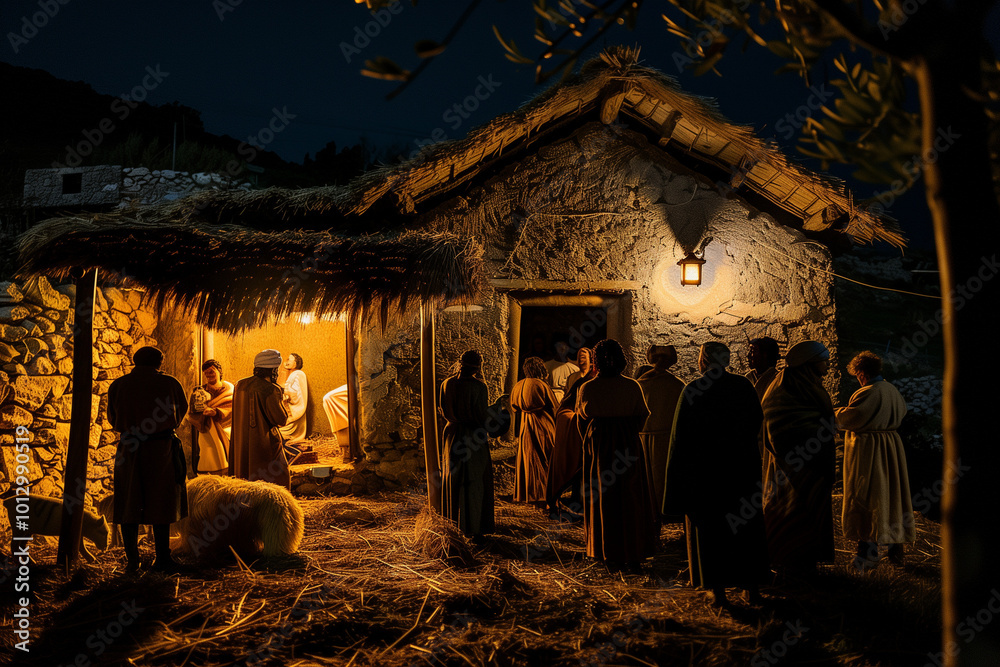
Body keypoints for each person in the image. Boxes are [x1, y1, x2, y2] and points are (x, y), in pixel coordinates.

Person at [663, 342, 768, 605]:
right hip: (740, 471)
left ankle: (718, 592)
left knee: (711, 531)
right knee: (745, 527)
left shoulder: (693, 389)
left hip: (706, 474)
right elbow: (756, 422)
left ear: (703, 360)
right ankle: (751, 587)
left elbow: (680, 438)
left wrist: (679, 481)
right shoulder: (743, 386)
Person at [577, 339, 657, 569]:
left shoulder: (588, 387)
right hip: (627, 446)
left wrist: (592, 441)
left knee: (604, 498)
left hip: (601, 448)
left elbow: (582, 421)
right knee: (630, 497)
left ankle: (607, 551)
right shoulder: (632, 386)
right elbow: (641, 416)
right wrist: (626, 430)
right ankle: (632, 552)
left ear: (596, 361)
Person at [108, 346, 188, 572]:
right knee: (162, 500)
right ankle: (162, 558)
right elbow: (180, 411)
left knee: (128, 502)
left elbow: (113, 418)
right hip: (160, 449)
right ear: (159, 362)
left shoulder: (119, 385)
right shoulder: (170, 383)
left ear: (135, 361)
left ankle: (133, 561)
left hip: (129, 449)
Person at [761, 340, 836, 576]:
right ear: (810, 363)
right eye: (824, 361)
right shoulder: (785, 387)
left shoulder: (807, 383)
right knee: (792, 509)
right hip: (793, 465)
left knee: (812, 509)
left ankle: (808, 561)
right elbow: (778, 424)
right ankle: (790, 560)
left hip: (812, 463)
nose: (827, 365)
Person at [836, 351, 915, 570]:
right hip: (890, 447)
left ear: (861, 372)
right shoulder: (891, 389)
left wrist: (833, 413)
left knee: (867, 496)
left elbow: (855, 416)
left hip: (870, 451)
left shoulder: (869, 392)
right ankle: (895, 547)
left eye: (857, 375)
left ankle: (867, 553)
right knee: (890, 496)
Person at [439, 350, 499, 539]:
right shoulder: (478, 387)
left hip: (451, 434)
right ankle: (472, 527)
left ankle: (452, 523)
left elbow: (442, 408)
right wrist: (497, 410)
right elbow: (482, 416)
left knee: (453, 478)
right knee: (473, 481)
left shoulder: (446, 383)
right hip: (473, 437)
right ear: (478, 366)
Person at [546, 346, 597, 518]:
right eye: (579, 355)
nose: (582, 358)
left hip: (589, 431)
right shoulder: (577, 379)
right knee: (575, 466)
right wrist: (577, 419)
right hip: (577, 427)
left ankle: (583, 503)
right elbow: (570, 402)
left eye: (585, 356)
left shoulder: (595, 379)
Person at [229, 349, 291, 489]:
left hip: (241, 444)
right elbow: (281, 419)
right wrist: (283, 401)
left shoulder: (239, 385)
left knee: (245, 478)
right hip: (265, 447)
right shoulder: (270, 389)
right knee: (276, 480)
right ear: (272, 370)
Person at [636, 344, 684, 510]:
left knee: (650, 479)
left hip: (650, 436)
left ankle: (653, 509)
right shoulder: (677, 384)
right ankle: (661, 509)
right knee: (660, 478)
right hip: (662, 438)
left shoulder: (640, 384)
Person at [512, 356, 558, 507]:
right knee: (545, 458)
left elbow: (514, 406)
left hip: (526, 425)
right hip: (543, 425)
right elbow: (554, 407)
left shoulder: (518, 385)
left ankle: (529, 495)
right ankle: (544, 496)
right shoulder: (540, 384)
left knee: (529, 459)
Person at [187, 359, 234, 475]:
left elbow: (232, 407)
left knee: (224, 453)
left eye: (212, 371)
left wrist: (217, 412)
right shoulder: (200, 391)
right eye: (206, 373)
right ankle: (207, 476)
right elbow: (193, 411)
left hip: (226, 429)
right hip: (207, 429)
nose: (209, 375)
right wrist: (201, 413)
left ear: (219, 371)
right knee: (208, 452)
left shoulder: (229, 389)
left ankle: (225, 473)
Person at [278, 353, 308, 445]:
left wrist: (285, 393)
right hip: (289, 406)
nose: (286, 362)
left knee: (281, 433)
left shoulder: (298, 374)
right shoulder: (291, 374)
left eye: (289, 360)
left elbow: (296, 393)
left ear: (295, 363)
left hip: (295, 409)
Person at [746, 337, 781, 402]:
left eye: (753, 351)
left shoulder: (778, 381)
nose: (749, 356)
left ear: (765, 355)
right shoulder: (747, 379)